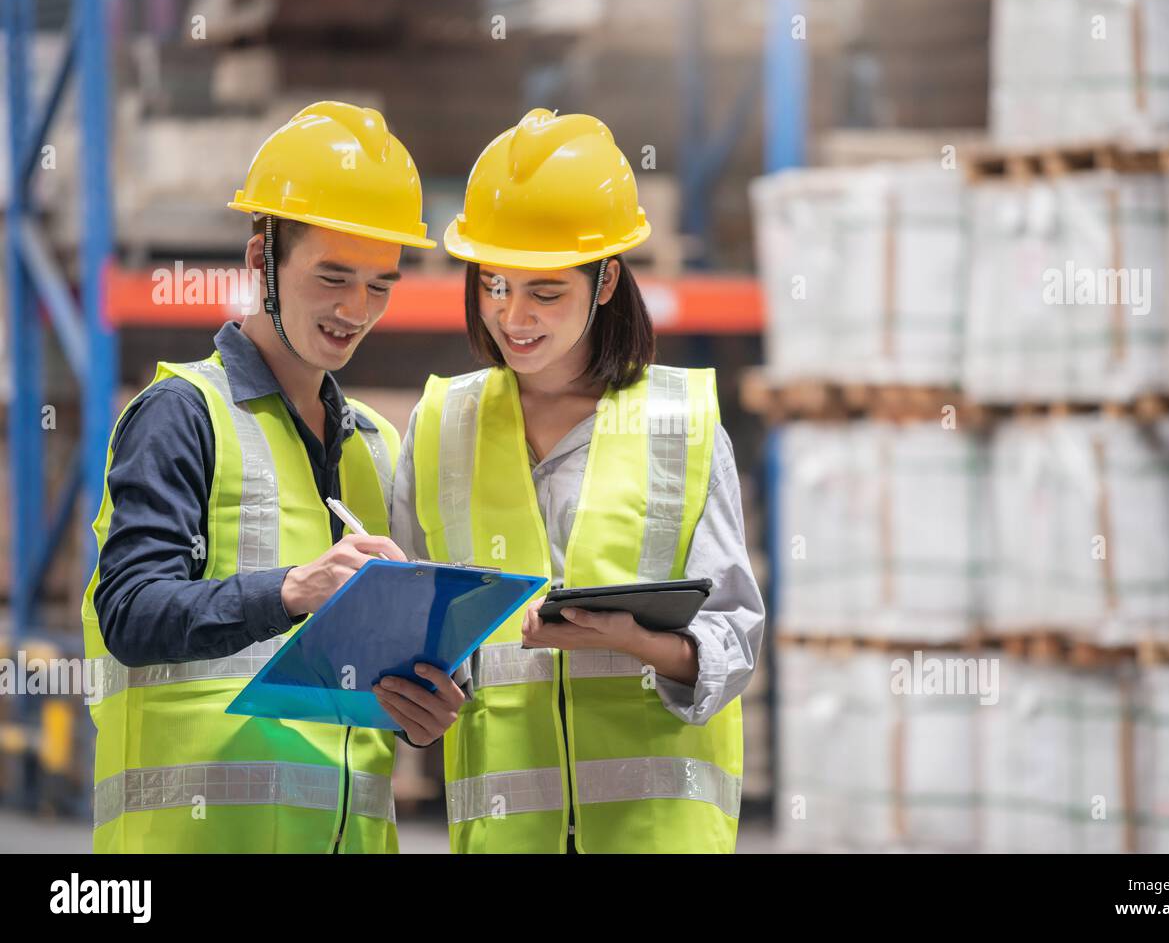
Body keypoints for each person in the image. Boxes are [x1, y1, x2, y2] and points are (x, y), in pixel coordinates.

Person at [82, 101, 462, 853]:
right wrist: (294, 588)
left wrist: (426, 705)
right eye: (333, 277)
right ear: (260, 263)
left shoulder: (376, 449)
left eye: (379, 285)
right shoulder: (182, 415)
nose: (356, 310)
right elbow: (129, 611)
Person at [391, 108, 765, 853]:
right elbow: (408, 633)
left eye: (545, 292)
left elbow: (733, 639)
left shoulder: (681, 424)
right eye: (493, 284)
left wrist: (638, 642)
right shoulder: (441, 425)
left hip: (655, 834)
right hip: (505, 832)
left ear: (605, 283)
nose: (511, 315)